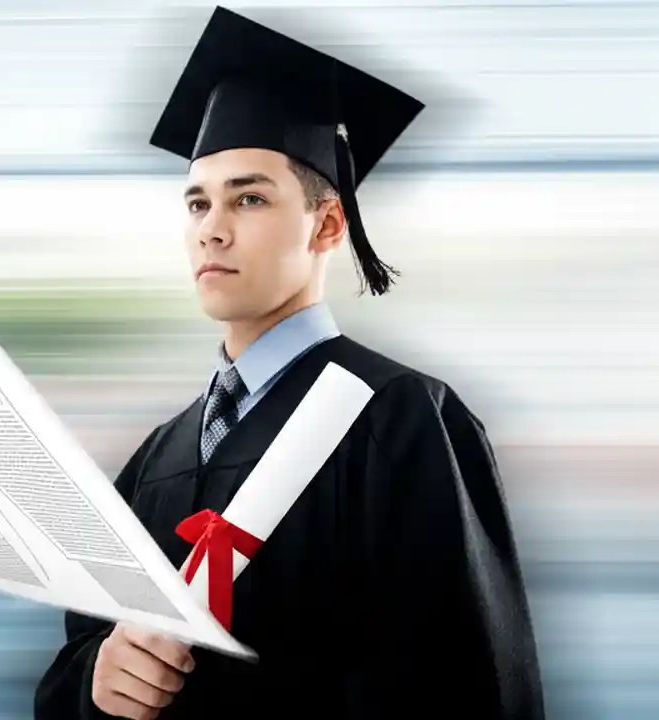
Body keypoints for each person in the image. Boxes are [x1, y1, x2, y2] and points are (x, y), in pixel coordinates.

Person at [33, 6, 544, 719]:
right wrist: (96, 679)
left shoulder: (400, 417)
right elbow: (76, 662)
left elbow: (467, 682)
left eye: (249, 197)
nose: (212, 228)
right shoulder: (158, 456)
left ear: (328, 223)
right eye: (197, 203)